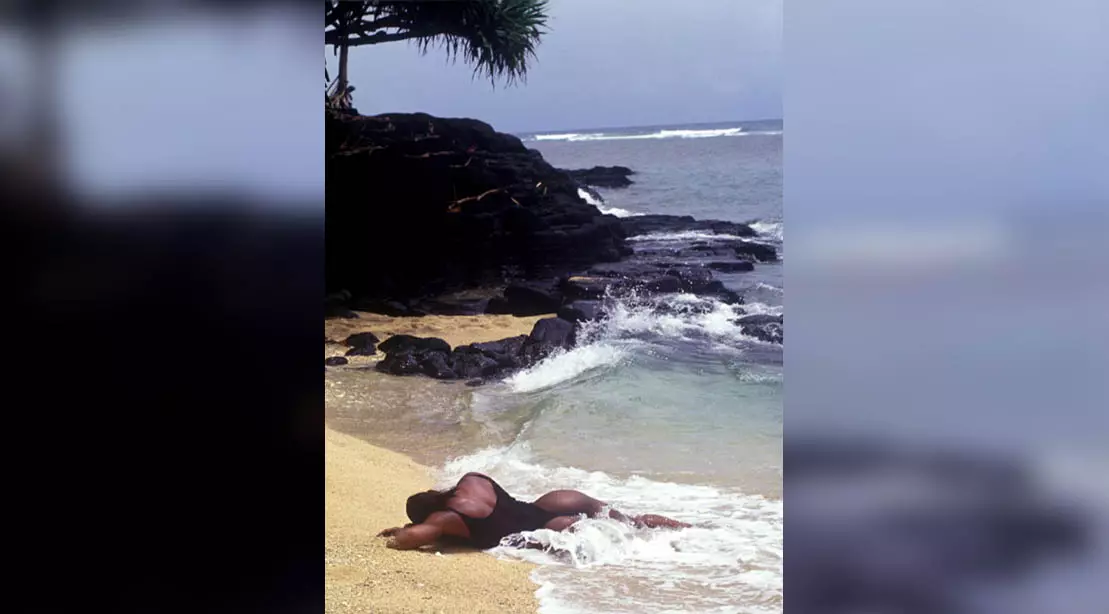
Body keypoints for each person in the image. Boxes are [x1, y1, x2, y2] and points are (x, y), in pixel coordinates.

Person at [378, 471, 691, 550]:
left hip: (550, 527)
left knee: (626, 543)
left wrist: (404, 532)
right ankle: (691, 530)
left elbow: (408, 541)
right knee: (633, 523)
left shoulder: (444, 519)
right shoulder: (471, 479)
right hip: (552, 502)